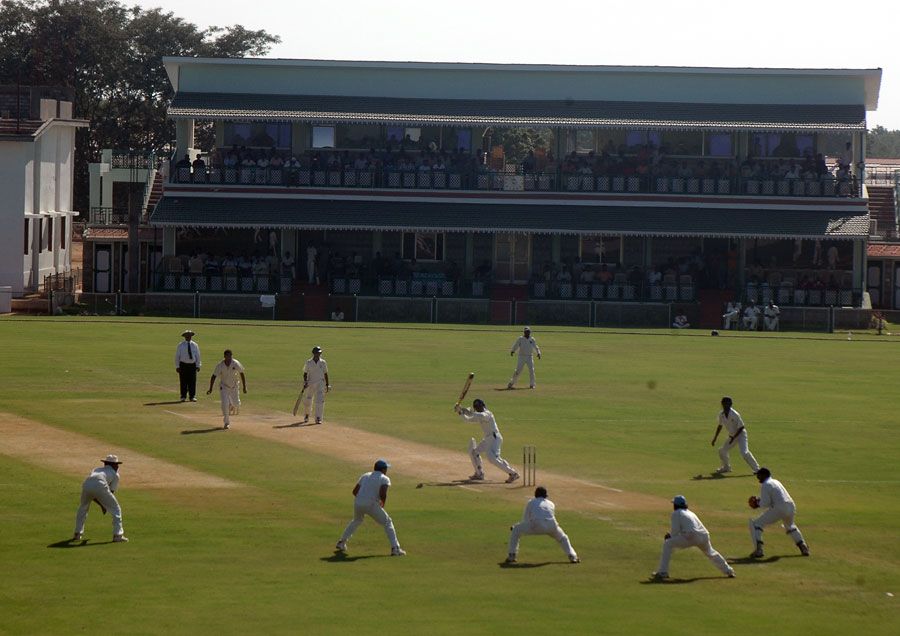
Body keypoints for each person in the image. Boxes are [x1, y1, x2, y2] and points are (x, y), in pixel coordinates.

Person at [651, 495, 734, 581]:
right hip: (704, 535)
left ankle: (663, 572)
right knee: (711, 552)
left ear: (675, 505)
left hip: (691, 536)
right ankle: (729, 571)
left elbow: (675, 531)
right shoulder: (690, 513)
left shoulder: (676, 513)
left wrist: (669, 536)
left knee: (668, 544)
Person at [335, 459, 406, 556]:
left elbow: (354, 492)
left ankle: (341, 542)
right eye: (386, 469)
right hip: (371, 504)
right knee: (387, 522)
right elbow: (383, 493)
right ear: (383, 469)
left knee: (357, 520)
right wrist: (382, 503)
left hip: (358, 502)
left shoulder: (365, 475)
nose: (386, 470)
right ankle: (395, 548)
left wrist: (362, 499)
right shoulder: (384, 478)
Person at [506, 486, 579, 564]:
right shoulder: (551, 503)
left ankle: (512, 555)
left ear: (535, 495)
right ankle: (572, 556)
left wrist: (515, 526)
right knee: (563, 538)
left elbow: (526, 520)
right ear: (545, 496)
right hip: (552, 526)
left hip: (537, 525)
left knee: (516, 530)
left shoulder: (531, 502)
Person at [454, 398, 519, 483]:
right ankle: (479, 473)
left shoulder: (488, 413)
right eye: (477, 408)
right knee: (474, 452)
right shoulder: (478, 414)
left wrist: (467, 411)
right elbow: (467, 420)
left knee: (493, 459)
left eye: (478, 408)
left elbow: (480, 415)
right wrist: (460, 412)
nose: (478, 409)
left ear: (483, 406)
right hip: (488, 439)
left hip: (494, 438)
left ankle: (513, 473)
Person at [748, 467, 809, 558]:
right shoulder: (776, 481)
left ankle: (758, 550)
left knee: (756, 524)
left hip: (779, 508)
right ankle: (803, 546)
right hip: (791, 506)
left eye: (759, 476)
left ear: (764, 475)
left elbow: (765, 503)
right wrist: (759, 501)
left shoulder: (765, 484)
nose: (758, 478)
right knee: (790, 526)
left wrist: (757, 503)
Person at [72, 454, 128, 543]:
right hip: (100, 484)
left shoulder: (96, 469)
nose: (117, 466)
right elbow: (110, 493)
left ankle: (77, 534)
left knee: (83, 507)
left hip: (86, 484)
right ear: (113, 465)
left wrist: (102, 505)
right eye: (117, 464)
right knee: (116, 509)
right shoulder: (115, 474)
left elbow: (93, 494)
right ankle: (118, 535)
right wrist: (103, 505)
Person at [710, 396, 760, 474]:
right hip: (732, 436)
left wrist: (733, 437)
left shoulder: (735, 414)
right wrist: (715, 438)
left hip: (741, 435)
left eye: (728, 404)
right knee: (722, 450)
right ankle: (726, 467)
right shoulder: (721, 414)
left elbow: (741, 427)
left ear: (730, 404)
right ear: (722, 404)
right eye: (724, 403)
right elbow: (720, 425)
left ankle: (757, 469)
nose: (726, 405)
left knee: (744, 452)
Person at [206, 349, 247, 430]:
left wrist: (244, 387)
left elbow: (242, 373)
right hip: (224, 387)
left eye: (230, 356)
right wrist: (210, 388)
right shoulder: (220, 365)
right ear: (224, 356)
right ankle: (226, 423)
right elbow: (213, 376)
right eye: (227, 356)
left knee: (236, 404)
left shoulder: (235, 363)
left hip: (234, 386)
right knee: (224, 404)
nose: (229, 358)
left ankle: (231, 404)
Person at [301, 345, 330, 424]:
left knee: (319, 401)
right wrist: (305, 382)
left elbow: (326, 373)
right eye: (317, 353)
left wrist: (327, 384)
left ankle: (318, 418)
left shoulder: (323, 362)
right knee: (308, 400)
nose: (319, 354)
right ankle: (307, 415)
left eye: (320, 353)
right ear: (314, 353)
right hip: (310, 383)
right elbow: (305, 373)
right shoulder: (309, 362)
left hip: (320, 383)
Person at [174, 329, 201, 402]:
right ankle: (183, 396)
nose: (188, 337)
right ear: (184, 336)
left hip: (192, 365)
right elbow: (177, 356)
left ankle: (192, 396)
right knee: (183, 381)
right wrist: (177, 366)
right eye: (187, 335)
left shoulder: (195, 345)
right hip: (183, 365)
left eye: (190, 335)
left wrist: (198, 365)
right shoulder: (180, 345)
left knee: (192, 381)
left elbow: (198, 355)